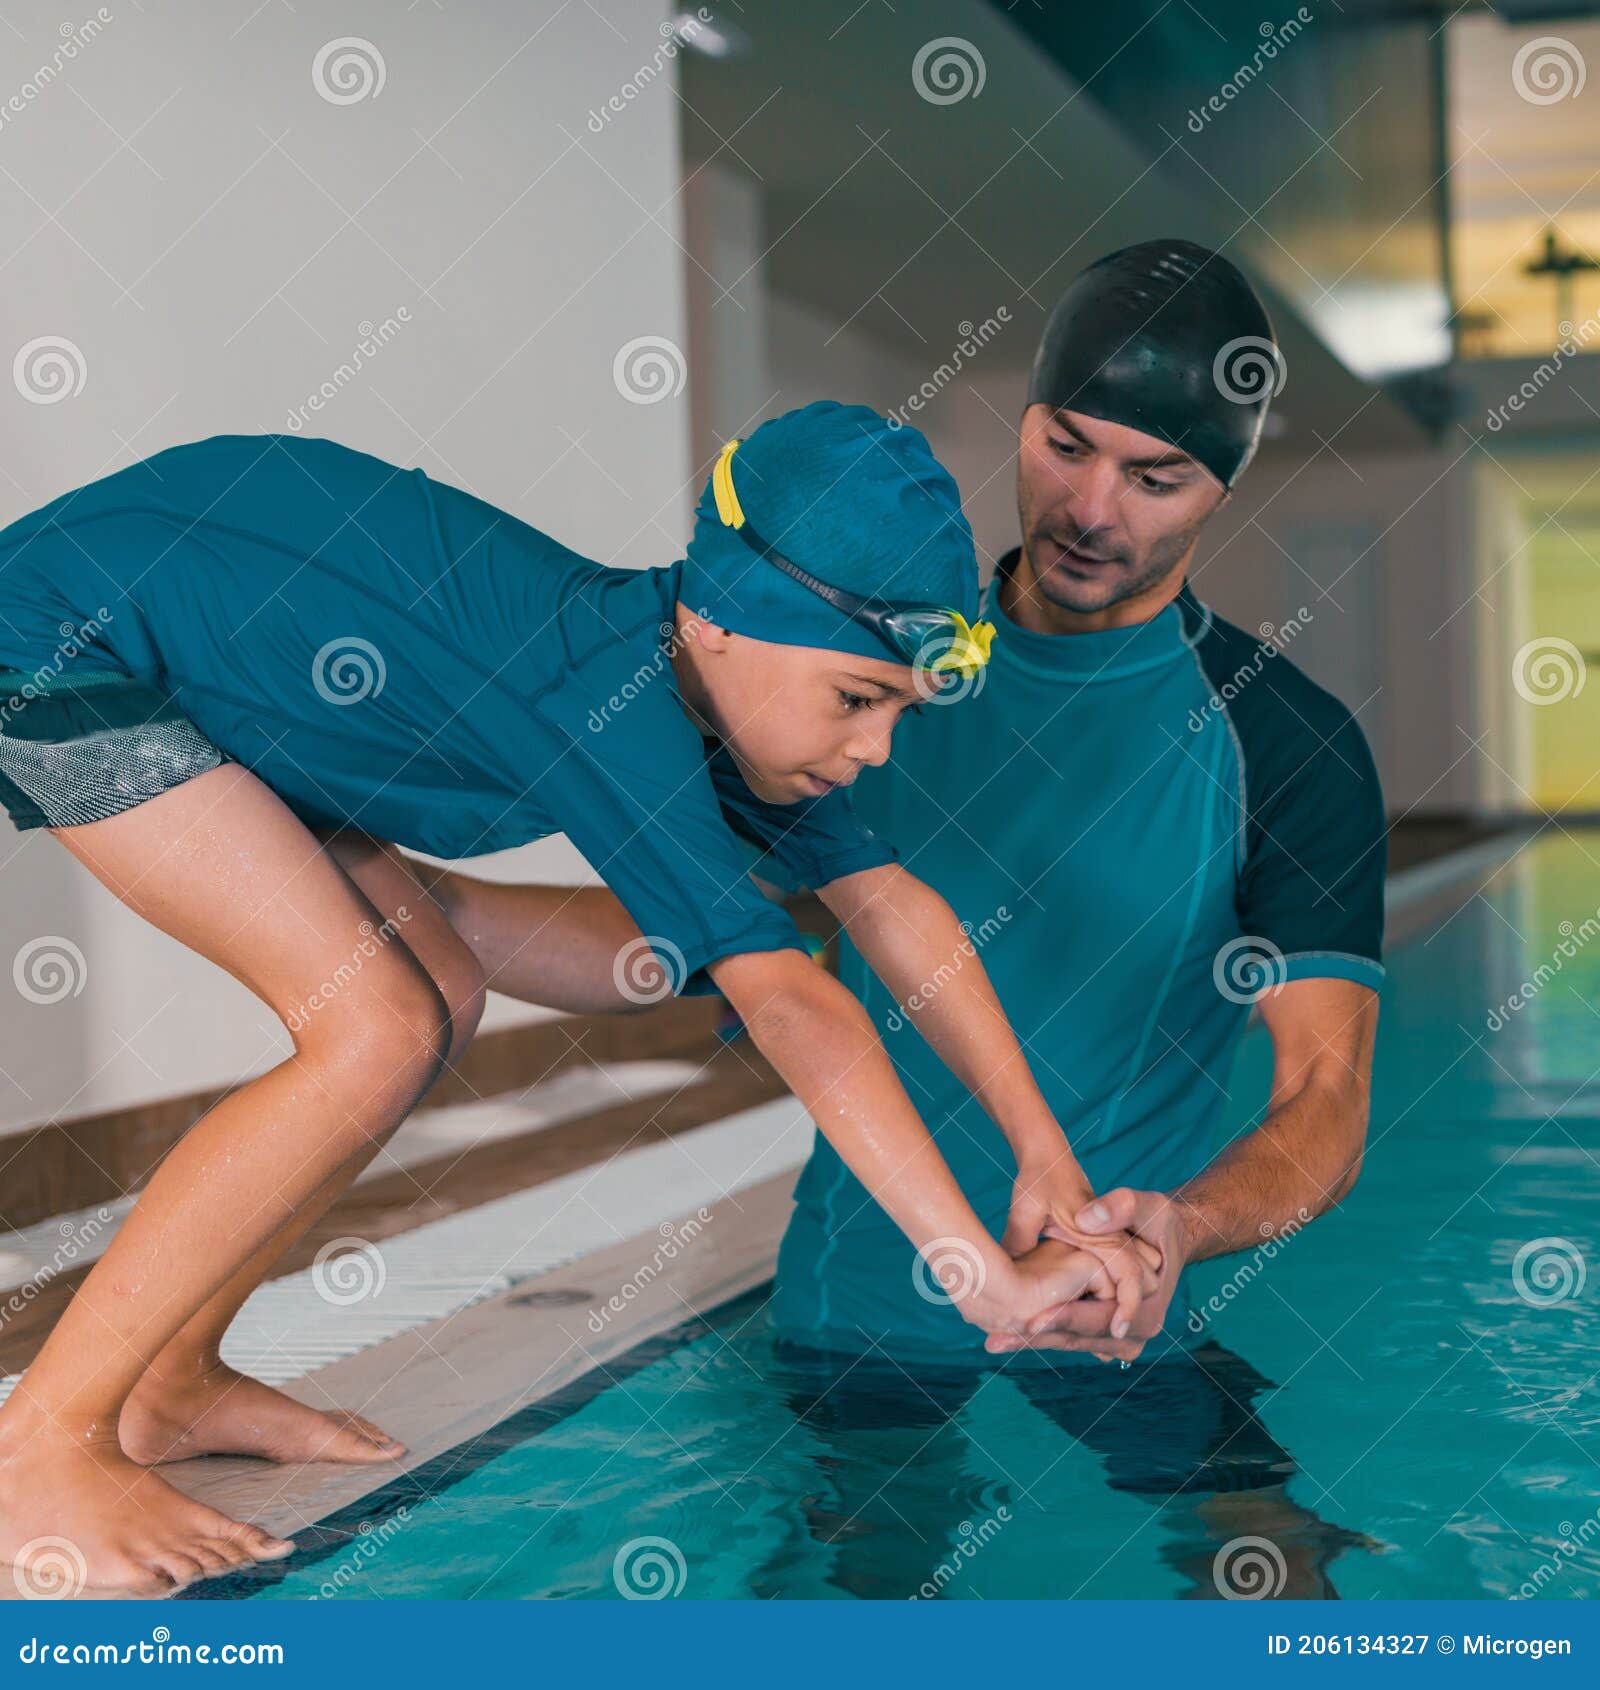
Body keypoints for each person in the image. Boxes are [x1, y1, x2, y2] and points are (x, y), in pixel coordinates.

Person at [0, 400, 1156, 1594]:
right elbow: (794, 1013)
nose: (874, 750)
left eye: (899, 711)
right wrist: (983, 1278)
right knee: (374, 1025)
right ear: (717, 621)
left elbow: (894, 907)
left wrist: (1040, 1155)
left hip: (223, 651)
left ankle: (173, 1382)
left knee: (434, 986)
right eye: (859, 697)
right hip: (66, 630)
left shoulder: (708, 700)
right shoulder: (611, 699)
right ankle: (38, 1444)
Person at [752, 241, 1387, 1596]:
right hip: (858, 1306)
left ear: (1225, 483)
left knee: (1284, 1583)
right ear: (1028, 420)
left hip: (1121, 1309)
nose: (1093, 507)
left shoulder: (1283, 742)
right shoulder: (879, 671)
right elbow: (722, 909)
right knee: (853, 1608)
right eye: (1065, 445)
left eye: (1156, 478)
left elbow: (1327, 1097)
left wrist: (1181, 1226)